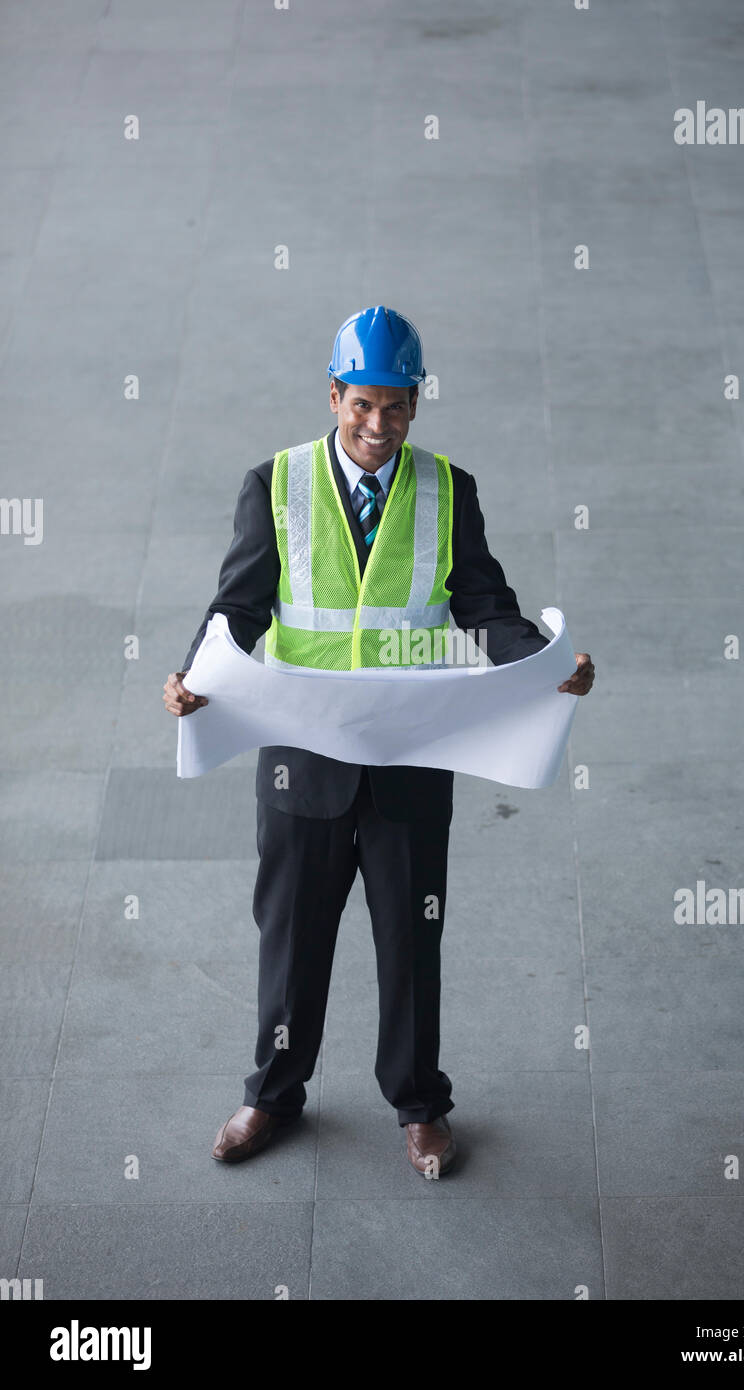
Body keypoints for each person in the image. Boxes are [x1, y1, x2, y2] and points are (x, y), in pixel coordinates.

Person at [163, 306, 594, 1177]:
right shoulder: (275, 484)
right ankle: (272, 1094)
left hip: (408, 752)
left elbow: (482, 604)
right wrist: (192, 676)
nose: (377, 424)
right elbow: (239, 607)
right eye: (362, 404)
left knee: (410, 934)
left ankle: (419, 1102)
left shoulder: (447, 488)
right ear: (333, 396)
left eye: (396, 407)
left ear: (416, 404)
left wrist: (543, 664)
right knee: (290, 934)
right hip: (303, 749)